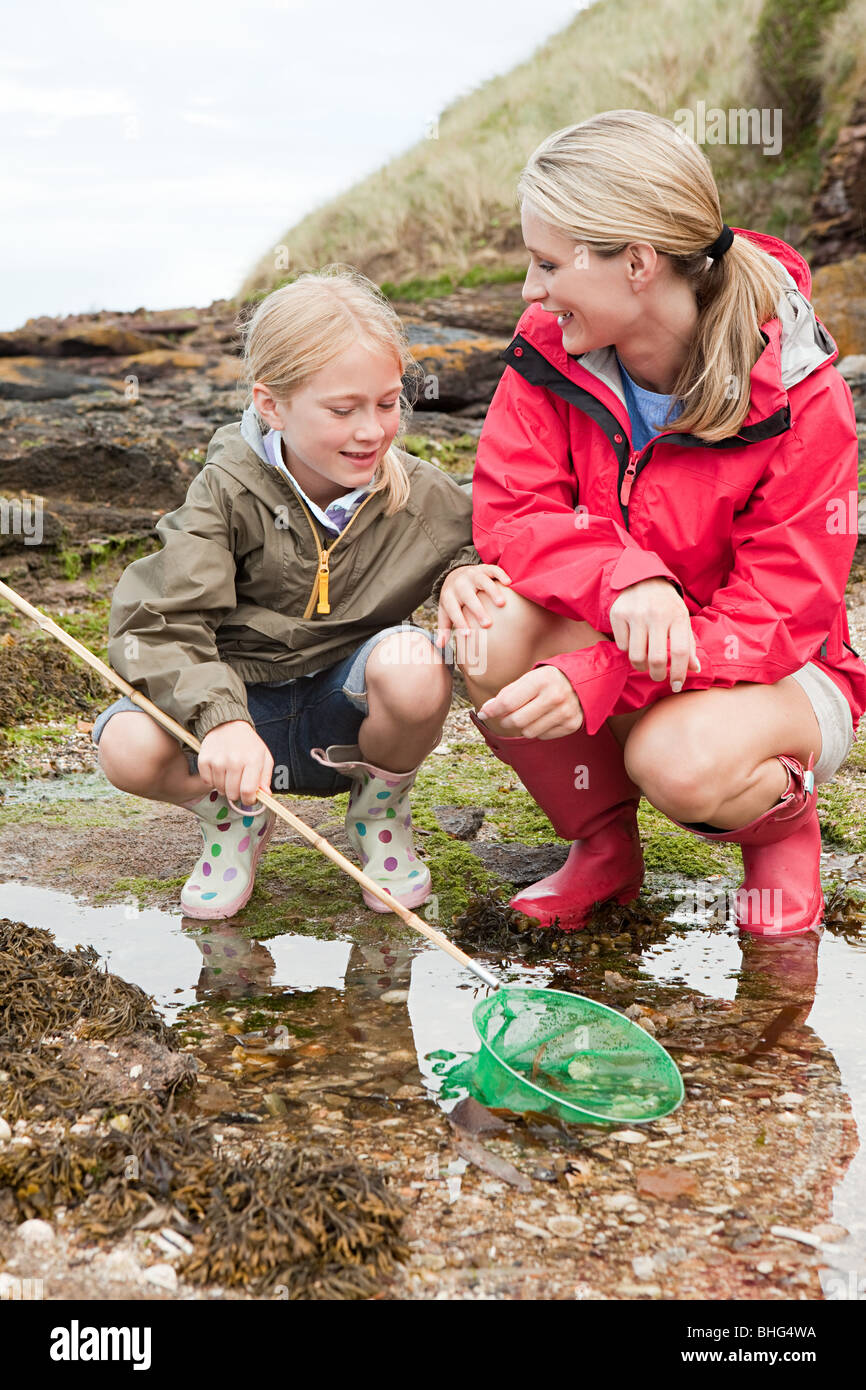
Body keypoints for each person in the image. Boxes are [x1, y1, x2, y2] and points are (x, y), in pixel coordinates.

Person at [438, 109, 866, 940]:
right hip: (627, 634)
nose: (532, 292)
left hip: (778, 677)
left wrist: (600, 675)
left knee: (678, 758)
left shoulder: (803, 394)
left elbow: (778, 616)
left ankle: (782, 831)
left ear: (637, 262)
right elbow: (513, 511)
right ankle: (604, 847)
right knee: (484, 628)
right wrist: (628, 577)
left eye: (549, 264)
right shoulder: (546, 346)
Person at [92, 265, 502, 921]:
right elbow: (153, 626)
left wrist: (461, 567)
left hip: (344, 721)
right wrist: (220, 720)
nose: (372, 430)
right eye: (343, 410)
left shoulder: (423, 495)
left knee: (416, 665)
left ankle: (380, 813)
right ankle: (233, 821)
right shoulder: (223, 492)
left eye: (388, 403)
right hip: (236, 722)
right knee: (125, 744)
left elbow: (493, 532)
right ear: (271, 404)